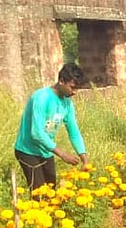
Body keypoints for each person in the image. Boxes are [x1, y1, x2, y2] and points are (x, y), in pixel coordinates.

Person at [14, 63, 89, 191]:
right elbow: (36, 133)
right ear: (61, 81)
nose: (75, 92)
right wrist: (63, 154)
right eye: (72, 87)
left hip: (46, 150)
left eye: (77, 89)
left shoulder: (67, 104)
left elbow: (74, 131)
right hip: (27, 150)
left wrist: (84, 157)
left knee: (51, 192)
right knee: (39, 194)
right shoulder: (41, 97)